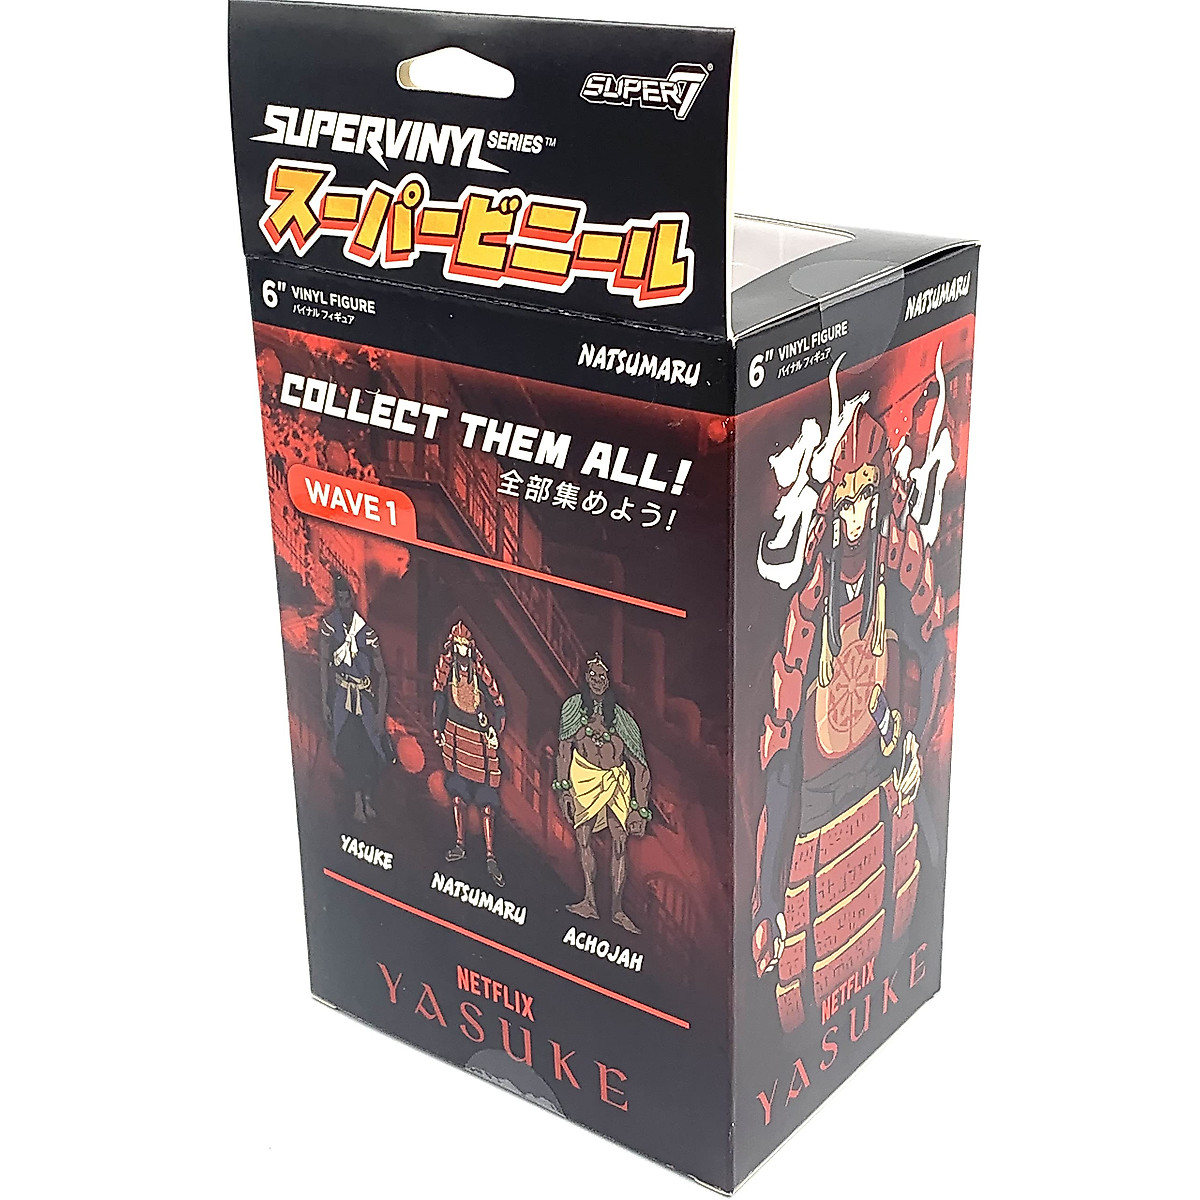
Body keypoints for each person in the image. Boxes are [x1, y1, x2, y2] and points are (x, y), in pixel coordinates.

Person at [555, 654, 652, 935]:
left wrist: (640, 809)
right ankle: (589, 901)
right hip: (583, 777)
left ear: (608, 681)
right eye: (593, 675)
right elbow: (564, 750)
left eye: (602, 676)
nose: (598, 680)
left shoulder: (622, 719)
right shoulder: (573, 708)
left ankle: (617, 910)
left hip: (615, 781)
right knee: (583, 839)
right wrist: (564, 789)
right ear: (586, 678)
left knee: (619, 843)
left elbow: (641, 767)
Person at [432, 622, 507, 887]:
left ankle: (490, 856)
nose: (462, 652)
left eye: (465, 648)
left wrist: (495, 731)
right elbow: (439, 698)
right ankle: (460, 844)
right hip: (454, 738)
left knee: (487, 806)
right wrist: (437, 727)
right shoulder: (445, 669)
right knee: (457, 797)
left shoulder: (480, 673)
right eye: (458, 647)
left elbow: (498, 704)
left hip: (479, 743)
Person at [319, 574, 393, 823]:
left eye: (346, 598)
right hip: (342, 697)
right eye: (339, 599)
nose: (343, 603)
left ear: (351, 598)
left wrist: (380, 714)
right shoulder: (329, 626)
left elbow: (382, 674)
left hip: (364, 698)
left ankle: (368, 799)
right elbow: (323, 665)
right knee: (348, 748)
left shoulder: (367, 633)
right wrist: (324, 701)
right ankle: (357, 803)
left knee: (374, 751)